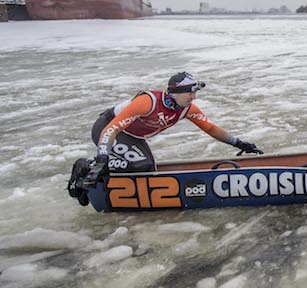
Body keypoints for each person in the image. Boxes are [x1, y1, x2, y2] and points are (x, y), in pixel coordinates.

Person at [68, 72, 263, 201]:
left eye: (195, 93)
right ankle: (88, 166)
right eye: (190, 93)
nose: (193, 97)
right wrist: (102, 158)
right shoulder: (147, 102)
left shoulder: (185, 108)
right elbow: (111, 129)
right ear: (175, 92)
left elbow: (210, 128)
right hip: (108, 129)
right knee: (140, 165)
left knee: (148, 170)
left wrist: (240, 143)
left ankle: (108, 186)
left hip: (132, 136)